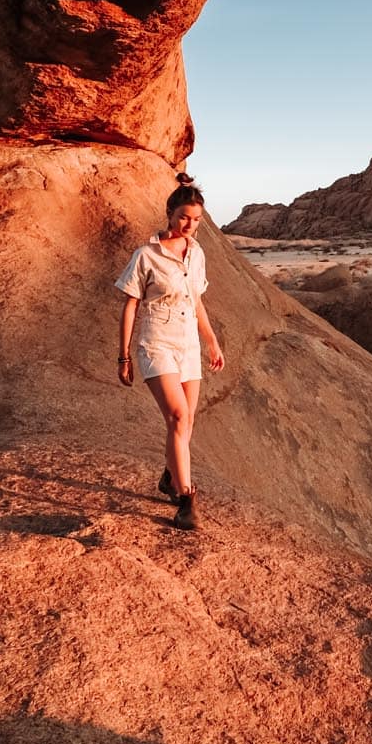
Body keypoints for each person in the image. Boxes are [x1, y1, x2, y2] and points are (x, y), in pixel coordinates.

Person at [114, 172, 224, 531]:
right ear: (170, 213)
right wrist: (124, 355)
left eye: (196, 220)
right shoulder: (146, 255)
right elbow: (130, 305)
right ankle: (186, 500)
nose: (190, 225)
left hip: (188, 345)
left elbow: (197, 303)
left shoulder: (198, 255)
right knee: (178, 417)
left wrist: (212, 342)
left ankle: (170, 476)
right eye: (184, 217)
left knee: (187, 422)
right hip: (156, 342)